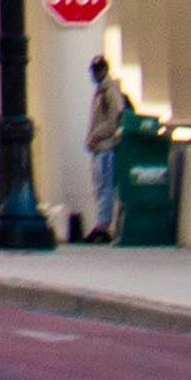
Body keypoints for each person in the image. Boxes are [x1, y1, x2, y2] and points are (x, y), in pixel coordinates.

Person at [86, 49, 127, 240]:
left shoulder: (110, 91)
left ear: (103, 71)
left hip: (106, 147)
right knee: (100, 187)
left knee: (105, 187)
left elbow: (114, 120)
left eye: (96, 70)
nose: (94, 74)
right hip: (99, 148)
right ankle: (102, 223)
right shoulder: (101, 92)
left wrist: (95, 136)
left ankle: (104, 226)